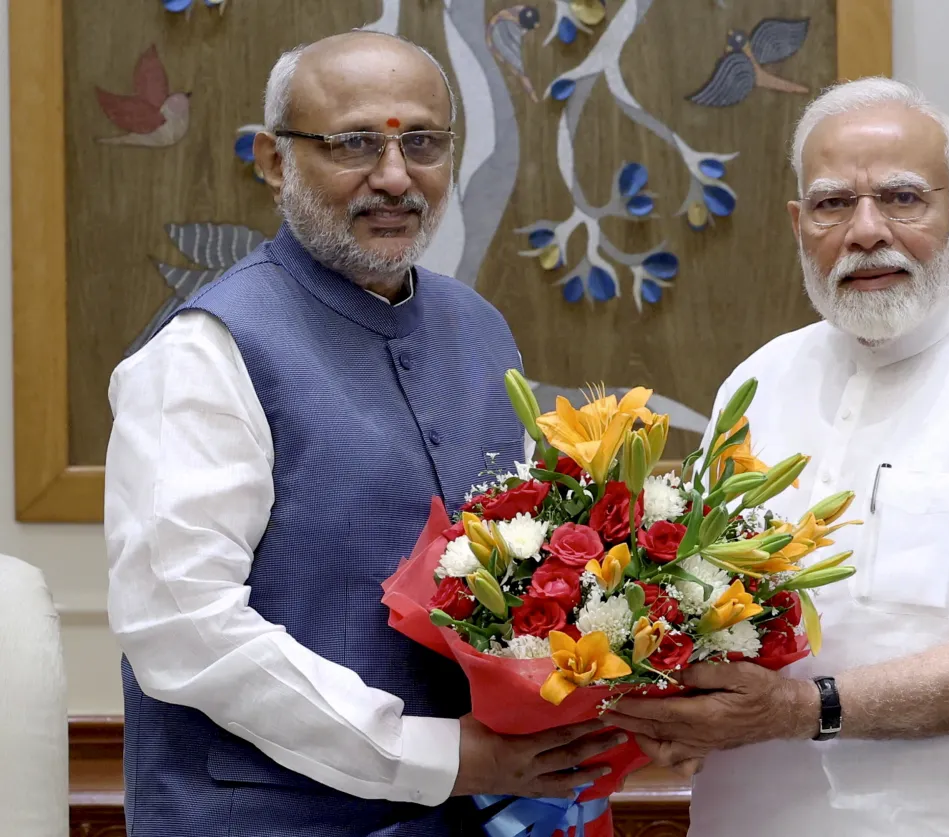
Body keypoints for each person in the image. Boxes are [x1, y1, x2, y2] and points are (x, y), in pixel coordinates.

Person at [105, 32, 621, 837]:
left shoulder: (479, 330)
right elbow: (182, 626)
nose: (393, 176)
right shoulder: (204, 351)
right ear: (274, 161)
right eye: (353, 143)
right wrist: (437, 755)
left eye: (422, 142)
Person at [607, 77, 949, 836]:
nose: (865, 230)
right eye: (833, 203)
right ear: (800, 224)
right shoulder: (758, 382)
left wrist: (807, 708)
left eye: (901, 198)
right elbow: (690, 607)